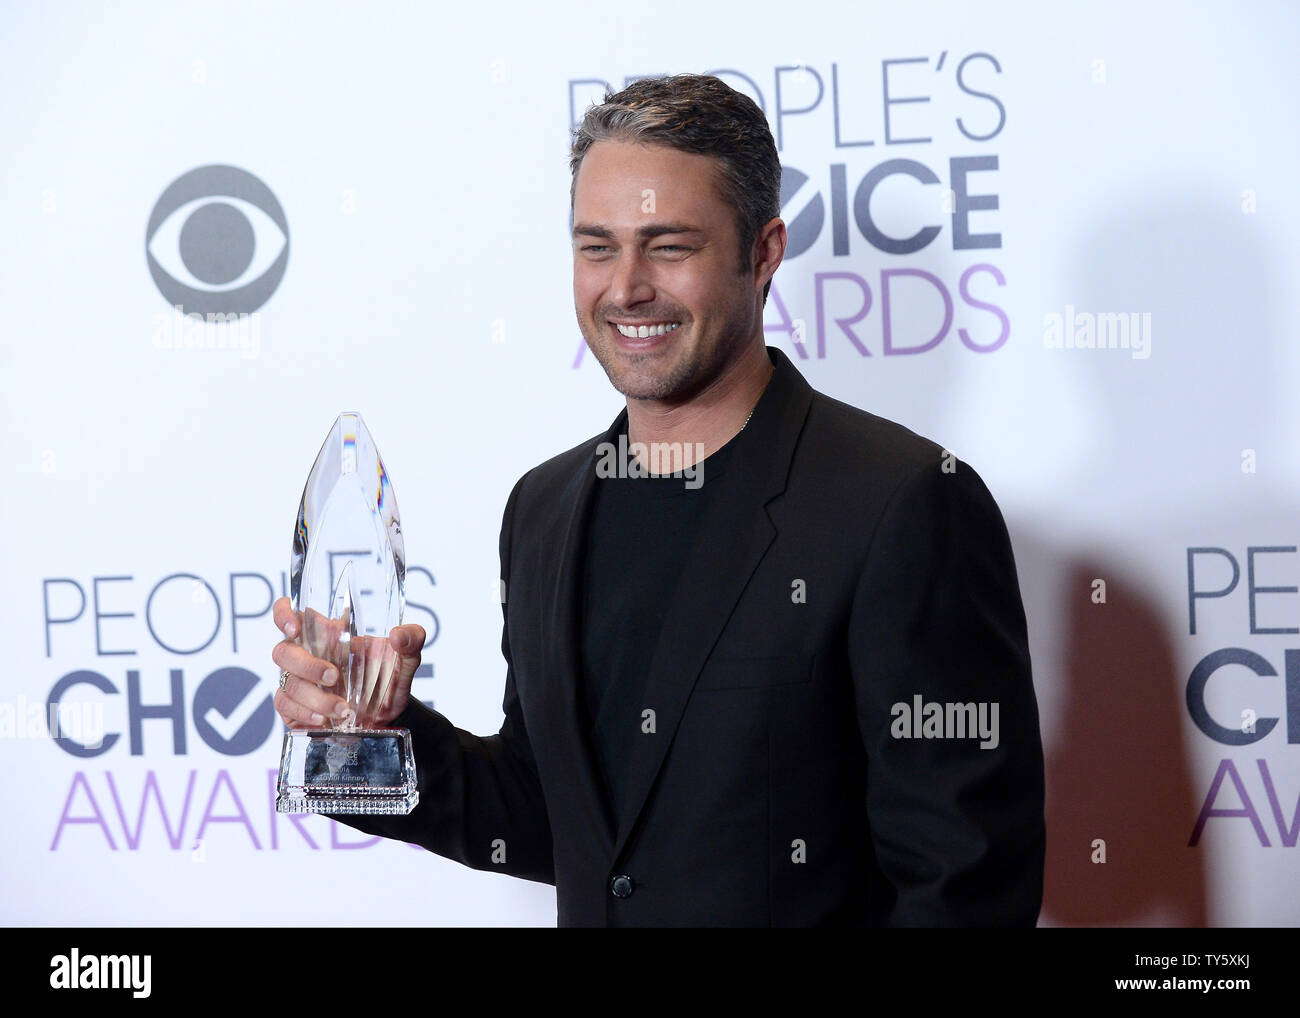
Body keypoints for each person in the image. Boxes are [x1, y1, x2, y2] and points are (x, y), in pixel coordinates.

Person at [271, 73, 1045, 927]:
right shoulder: (544, 510)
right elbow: (554, 821)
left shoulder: (901, 505)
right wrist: (368, 739)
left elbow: (964, 883)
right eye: (597, 248)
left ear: (764, 253)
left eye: (669, 247)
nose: (626, 288)